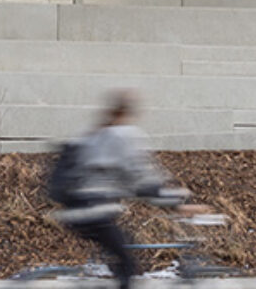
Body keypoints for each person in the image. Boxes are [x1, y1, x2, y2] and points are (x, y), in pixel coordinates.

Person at [52, 90, 203, 289]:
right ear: (128, 112)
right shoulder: (123, 135)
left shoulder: (96, 133)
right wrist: (179, 203)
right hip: (93, 211)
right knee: (128, 267)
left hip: (74, 209)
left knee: (125, 246)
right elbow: (142, 178)